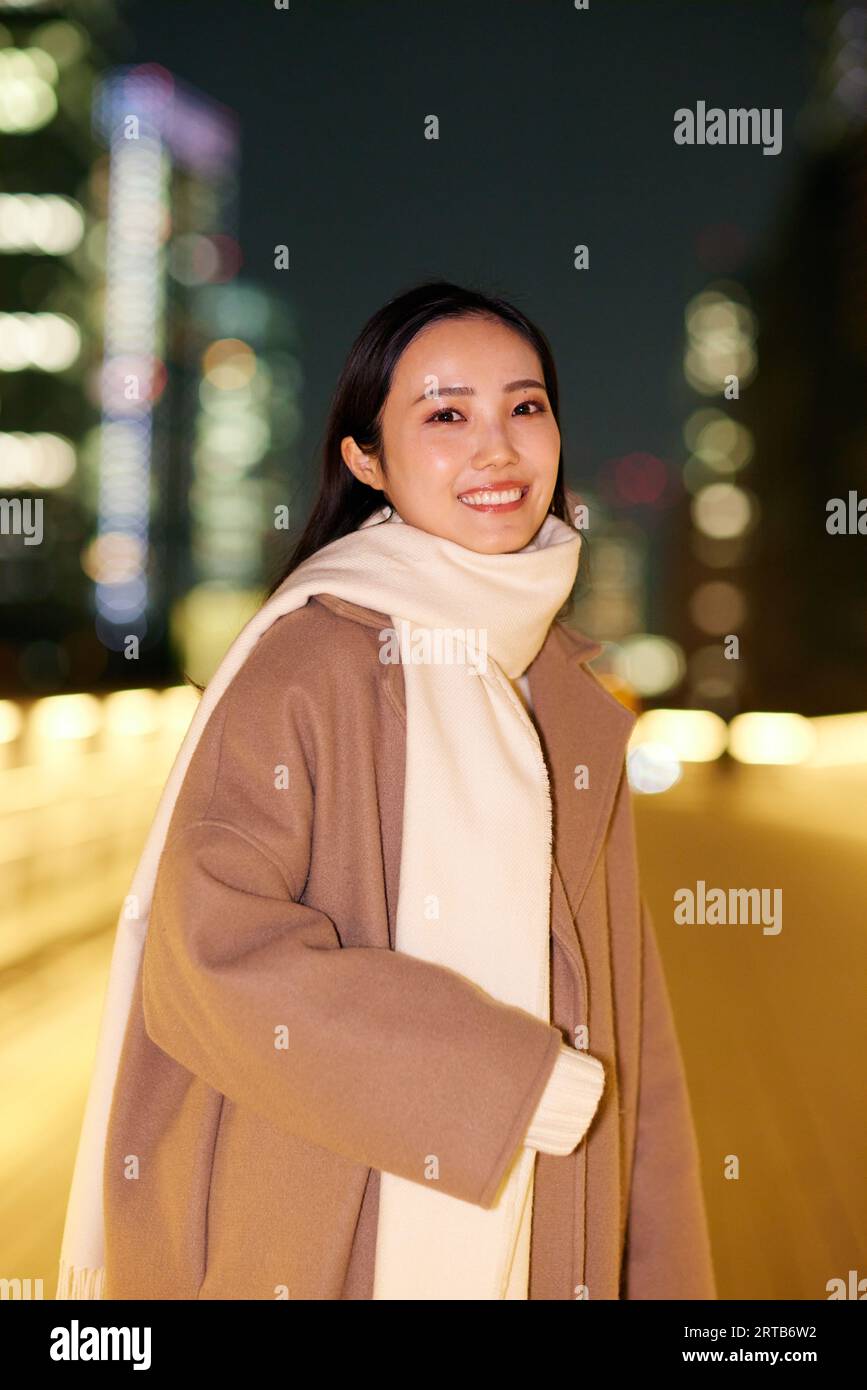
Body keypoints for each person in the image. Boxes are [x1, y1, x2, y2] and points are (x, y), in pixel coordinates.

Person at [57, 280, 716, 1300]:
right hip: (323, 1230)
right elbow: (209, 961)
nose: (496, 449)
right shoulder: (311, 663)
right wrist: (503, 1081)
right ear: (366, 459)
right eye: (445, 414)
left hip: (547, 1236)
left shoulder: (570, 694)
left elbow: (638, 1048)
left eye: (525, 406)